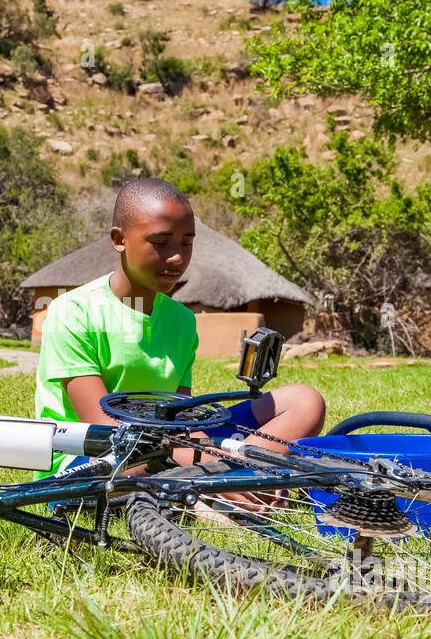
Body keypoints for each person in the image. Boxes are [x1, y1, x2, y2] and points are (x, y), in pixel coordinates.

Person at [35, 178, 325, 477]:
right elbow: (104, 429)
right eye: (160, 243)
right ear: (119, 239)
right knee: (142, 461)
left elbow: (182, 417)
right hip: (94, 459)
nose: (176, 256)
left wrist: (206, 452)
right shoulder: (74, 312)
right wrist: (211, 458)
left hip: (165, 444)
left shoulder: (182, 320)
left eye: (187, 242)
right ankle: (238, 480)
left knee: (304, 401)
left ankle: (235, 479)